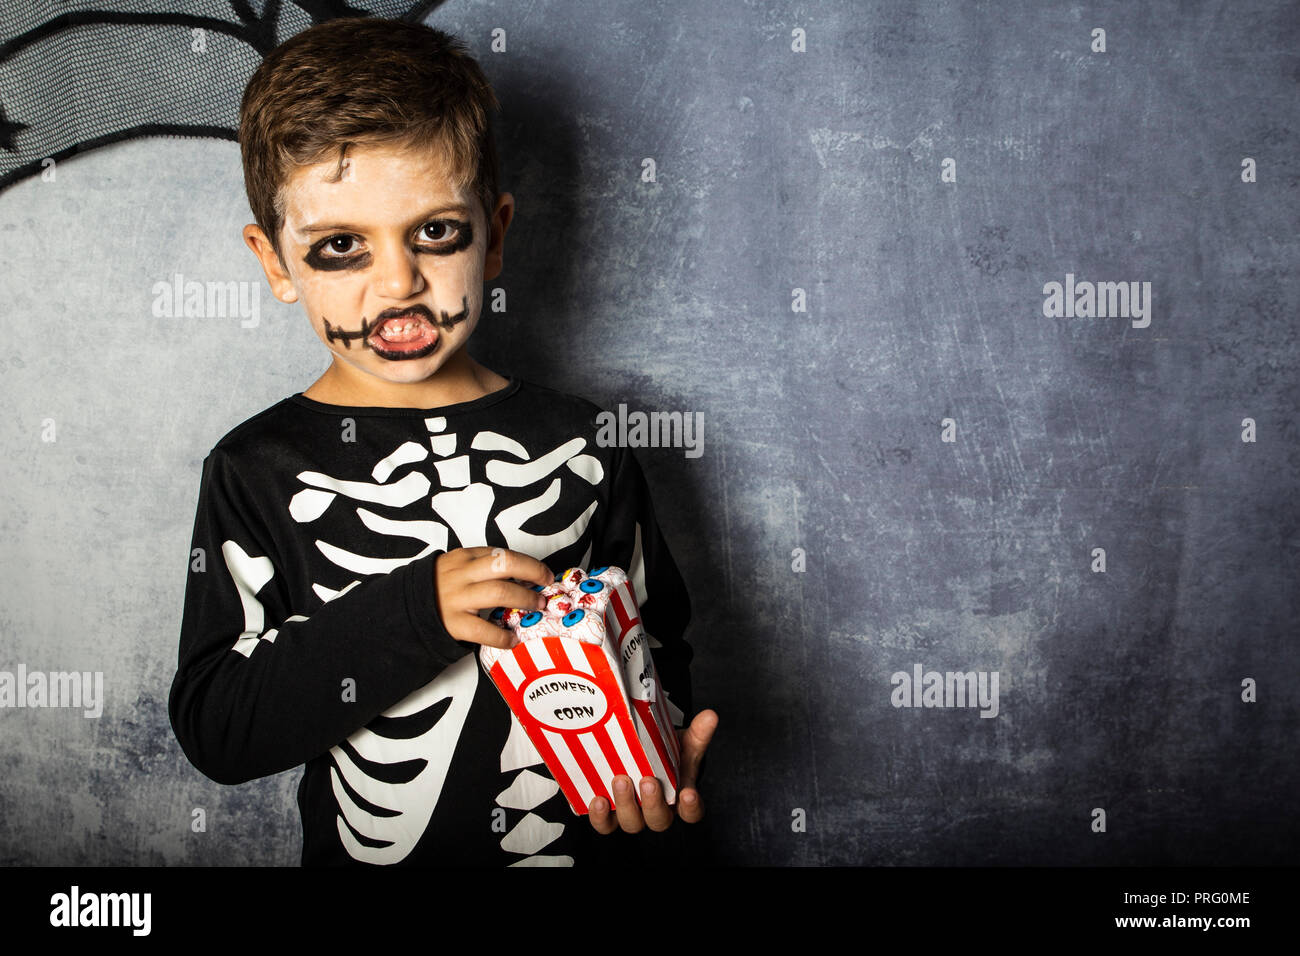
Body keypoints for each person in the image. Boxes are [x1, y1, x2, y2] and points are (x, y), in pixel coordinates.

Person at [167, 16, 717, 866]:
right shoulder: (254, 470)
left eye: (435, 233)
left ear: (493, 235)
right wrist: (413, 612)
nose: (398, 284)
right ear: (275, 263)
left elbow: (657, 645)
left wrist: (657, 758)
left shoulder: (586, 444)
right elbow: (217, 726)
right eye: (340, 247)